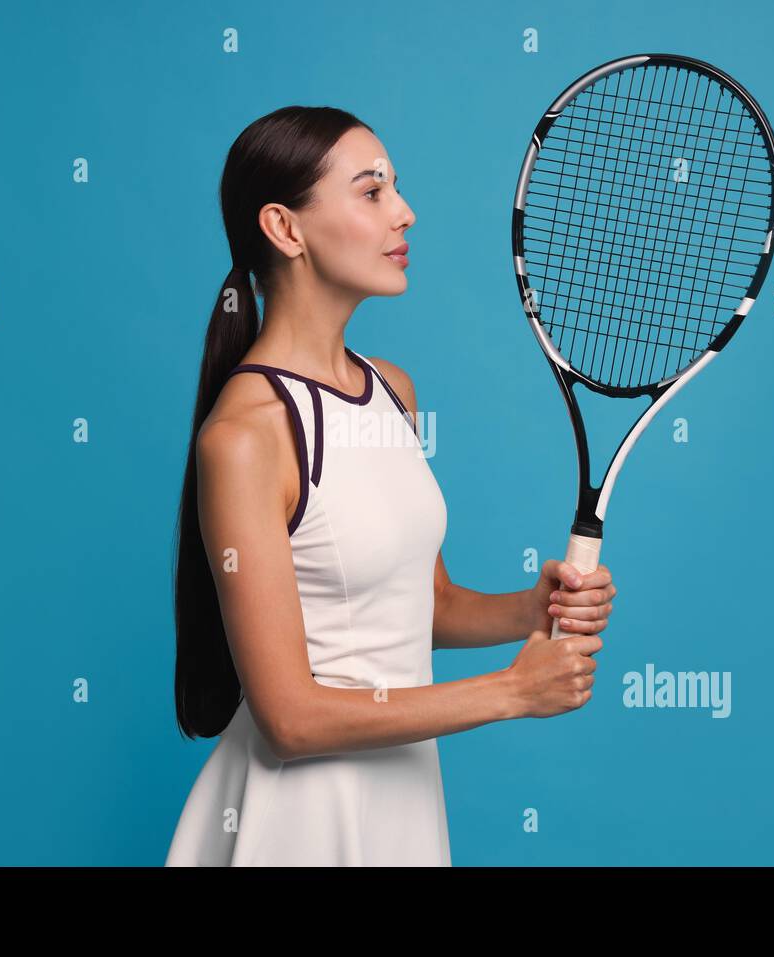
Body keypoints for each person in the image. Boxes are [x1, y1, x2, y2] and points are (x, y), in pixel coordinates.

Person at [165, 106, 617, 866]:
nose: (404, 212)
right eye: (371, 192)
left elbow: (424, 606)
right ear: (285, 228)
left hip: (402, 802)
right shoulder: (244, 437)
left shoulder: (391, 391)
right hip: (296, 821)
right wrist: (511, 692)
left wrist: (531, 610)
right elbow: (289, 717)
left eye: (395, 188)